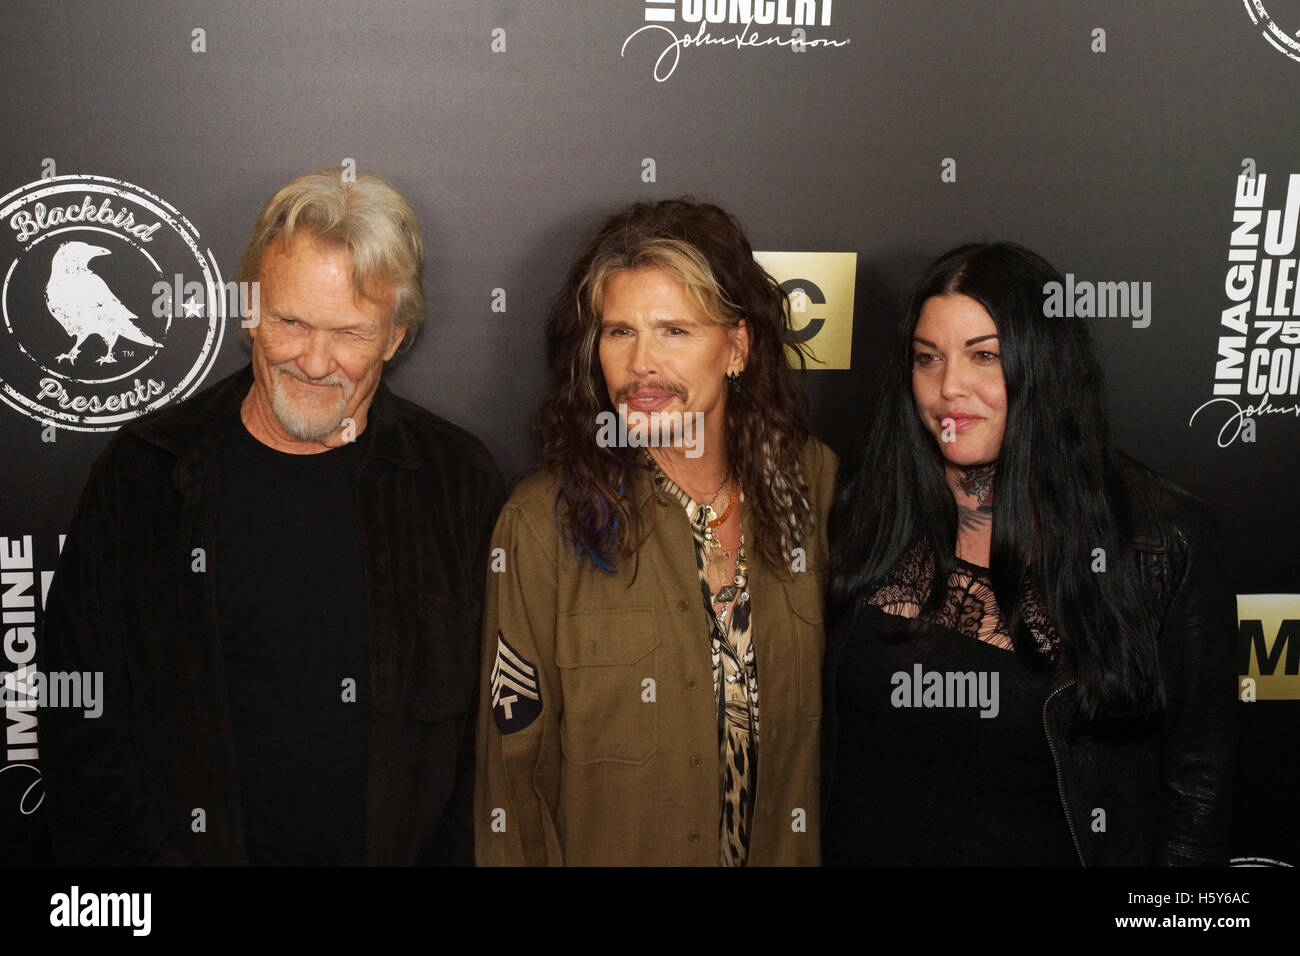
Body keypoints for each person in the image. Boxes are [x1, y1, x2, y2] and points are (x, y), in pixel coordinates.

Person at [39, 168, 503, 865]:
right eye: (290, 322)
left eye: (349, 332)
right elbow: (79, 717)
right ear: (249, 309)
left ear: (396, 336)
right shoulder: (143, 478)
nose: (315, 362)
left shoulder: (456, 483)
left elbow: (491, 741)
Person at [823, 241, 1236, 866]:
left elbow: (1198, 796)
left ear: (1045, 366)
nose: (949, 388)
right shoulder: (866, 504)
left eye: (984, 356)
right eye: (927, 358)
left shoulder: (1159, 542)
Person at [475, 198, 835, 866]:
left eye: (674, 331)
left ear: (736, 347)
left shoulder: (814, 486)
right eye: (619, 333)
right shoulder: (541, 523)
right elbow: (511, 781)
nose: (641, 365)